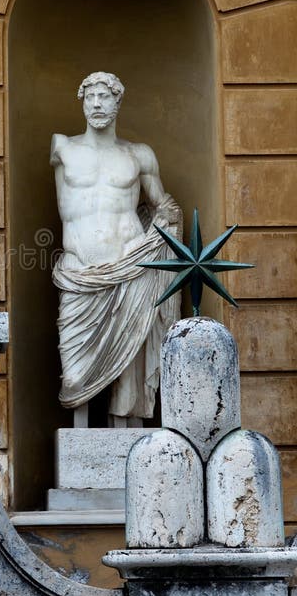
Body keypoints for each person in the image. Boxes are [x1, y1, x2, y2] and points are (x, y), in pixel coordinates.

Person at [51, 72, 181, 427]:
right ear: (81, 102)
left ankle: (128, 432)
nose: (97, 104)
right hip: (80, 273)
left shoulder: (139, 155)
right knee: (75, 371)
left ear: (118, 102)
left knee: (128, 362)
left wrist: (168, 221)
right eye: (90, 96)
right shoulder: (62, 148)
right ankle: (80, 431)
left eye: (105, 96)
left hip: (133, 264)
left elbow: (163, 206)